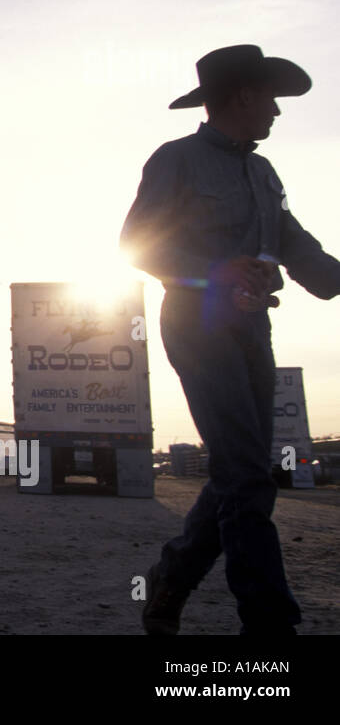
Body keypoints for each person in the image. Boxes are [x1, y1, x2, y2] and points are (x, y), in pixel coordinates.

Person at [120, 44, 340, 636]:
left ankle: (172, 575)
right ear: (243, 95)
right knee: (245, 476)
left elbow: (295, 242)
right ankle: (269, 629)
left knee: (241, 476)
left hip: (250, 326)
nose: (276, 111)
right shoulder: (177, 159)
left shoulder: (263, 172)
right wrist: (215, 270)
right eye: (270, 97)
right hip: (196, 323)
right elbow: (136, 244)